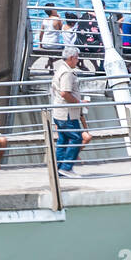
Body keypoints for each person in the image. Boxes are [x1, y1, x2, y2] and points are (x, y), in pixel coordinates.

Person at [51, 46, 89, 177]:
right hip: (67, 113)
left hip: (59, 112)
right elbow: (65, 93)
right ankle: (66, 167)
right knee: (76, 138)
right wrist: (79, 102)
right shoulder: (67, 73)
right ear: (72, 58)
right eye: (77, 58)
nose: (78, 60)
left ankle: (58, 168)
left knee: (63, 140)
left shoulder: (61, 69)